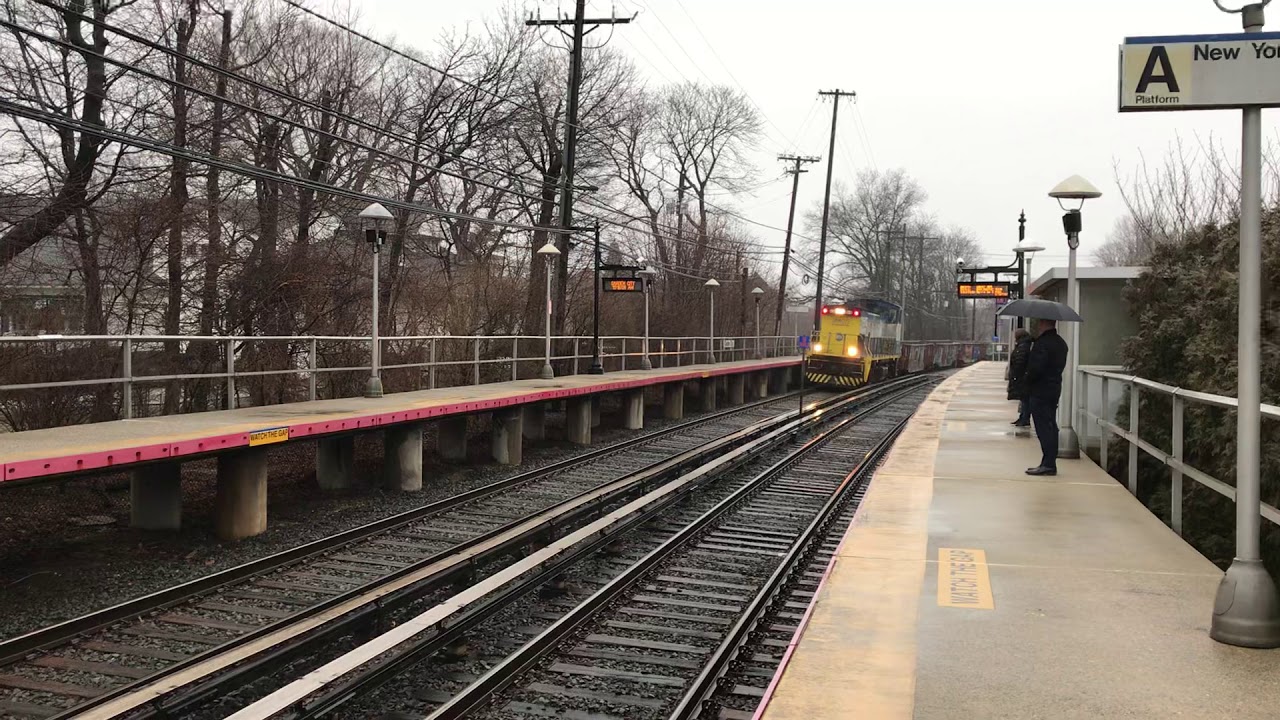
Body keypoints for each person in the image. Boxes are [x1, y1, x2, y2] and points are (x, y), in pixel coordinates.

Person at [1023, 317, 1068, 476]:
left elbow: (1036, 369)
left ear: (1043, 324)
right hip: (1054, 388)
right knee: (1050, 425)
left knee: (1044, 427)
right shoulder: (1061, 343)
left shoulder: (1042, 344)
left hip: (1040, 391)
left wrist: (1027, 379)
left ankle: (1048, 464)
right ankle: (1048, 461)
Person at [1007, 328, 1032, 427]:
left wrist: (1016, 375)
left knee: (1025, 399)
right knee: (1023, 398)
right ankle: (1023, 417)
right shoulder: (1024, 345)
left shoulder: (1023, 347)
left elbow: (1020, 362)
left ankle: (1025, 418)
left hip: (1021, 377)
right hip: (1022, 376)